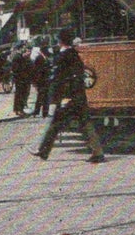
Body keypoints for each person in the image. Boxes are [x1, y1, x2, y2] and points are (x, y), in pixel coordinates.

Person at [31, 28, 105, 163]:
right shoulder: (73, 54)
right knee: (85, 123)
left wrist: (63, 97)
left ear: (60, 40)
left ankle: (43, 151)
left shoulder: (65, 56)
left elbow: (61, 77)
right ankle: (98, 152)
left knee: (56, 124)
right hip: (77, 96)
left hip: (69, 97)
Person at [10, 43, 33, 117]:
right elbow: (16, 69)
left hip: (21, 78)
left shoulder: (19, 56)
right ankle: (19, 110)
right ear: (20, 48)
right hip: (20, 79)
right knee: (20, 94)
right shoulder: (17, 57)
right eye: (23, 47)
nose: (24, 49)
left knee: (20, 94)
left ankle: (19, 109)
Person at [30, 44, 51, 118]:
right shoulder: (39, 58)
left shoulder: (45, 58)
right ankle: (37, 111)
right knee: (41, 97)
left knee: (46, 97)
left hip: (46, 80)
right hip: (41, 81)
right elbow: (36, 70)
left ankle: (45, 112)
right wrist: (36, 82)